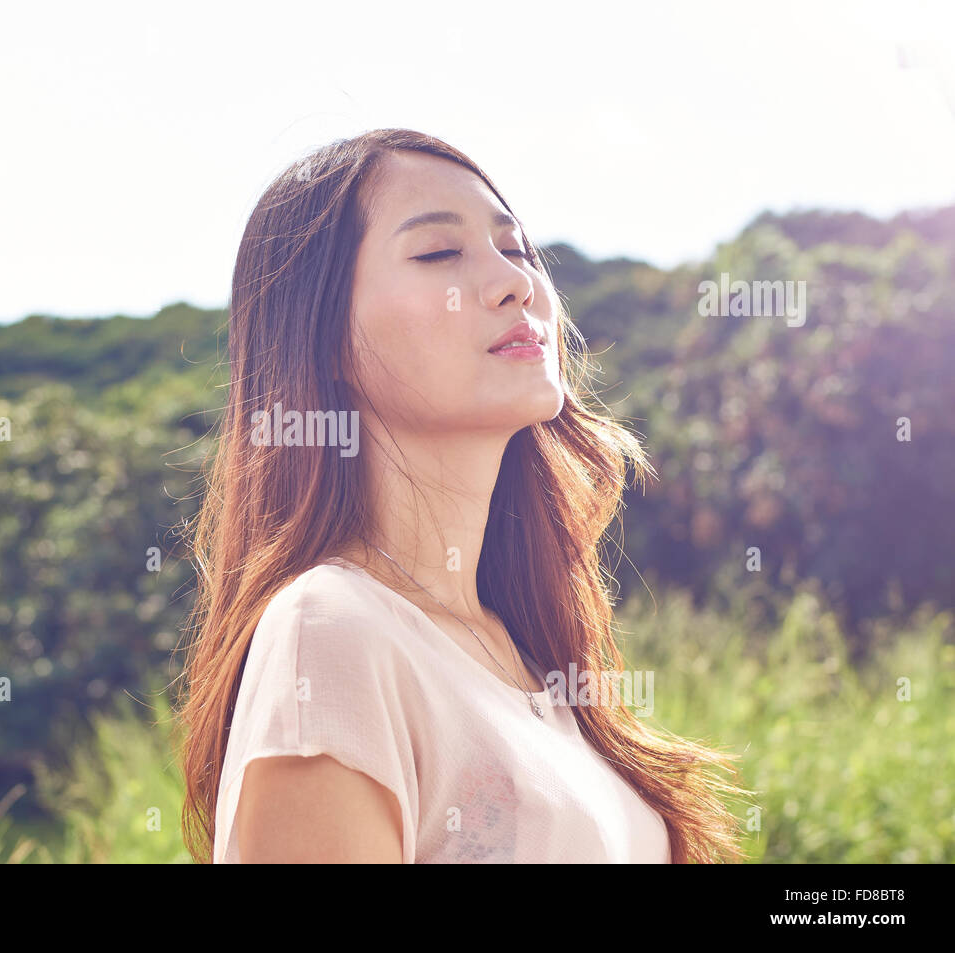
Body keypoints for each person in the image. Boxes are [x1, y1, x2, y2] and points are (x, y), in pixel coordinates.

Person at [177, 128, 750, 863]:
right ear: (323, 341)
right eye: (438, 254)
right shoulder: (329, 634)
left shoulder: (524, 644)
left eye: (517, 249)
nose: (515, 283)